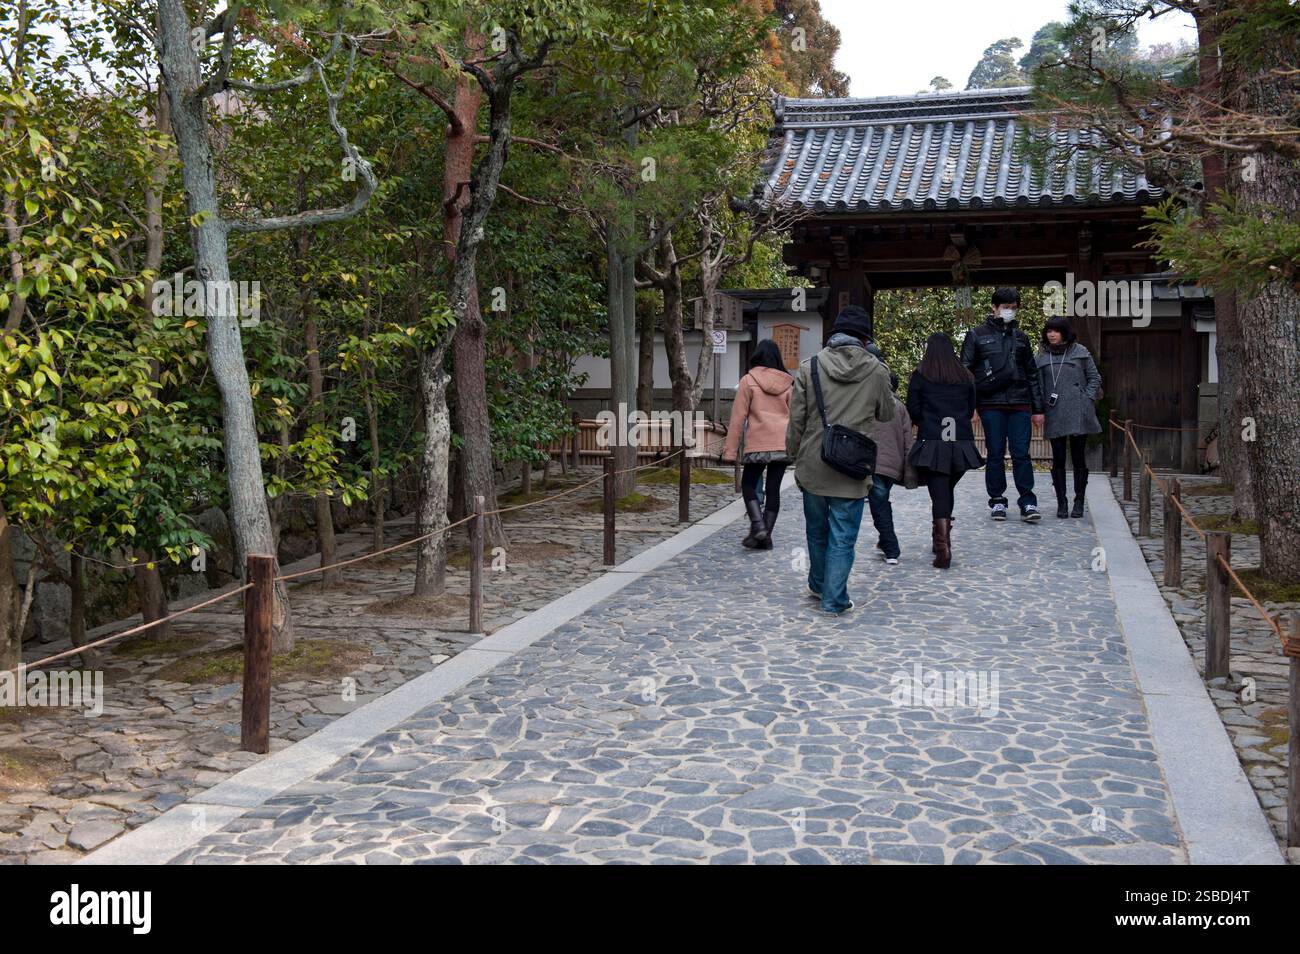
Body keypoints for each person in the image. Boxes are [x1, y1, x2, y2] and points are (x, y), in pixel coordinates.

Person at [785, 305, 895, 615]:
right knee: (843, 535)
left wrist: (793, 453)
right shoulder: (876, 370)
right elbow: (886, 413)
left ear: (834, 335)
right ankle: (834, 599)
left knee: (816, 530)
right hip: (853, 465)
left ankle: (819, 585)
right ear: (865, 339)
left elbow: (797, 418)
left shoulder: (810, 367)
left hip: (814, 460)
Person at [960, 287, 1045, 523]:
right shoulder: (976, 335)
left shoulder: (1022, 338)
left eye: (1013, 308)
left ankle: (1028, 501)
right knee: (995, 454)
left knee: (1022, 454)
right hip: (990, 403)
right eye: (1006, 307)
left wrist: (1038, 409)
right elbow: (964, 372)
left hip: (1020, 402)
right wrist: (970, 406)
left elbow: (1032, 374)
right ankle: (997, 501)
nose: (1009, 311)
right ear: (994, 308)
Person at [907, 333, 984, 569]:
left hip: (933, 441)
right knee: (946, 491)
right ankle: (940, 540)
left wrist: (926, 423)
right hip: (960, 442)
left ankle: (943, 549)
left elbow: (913, 408)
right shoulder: (965, 376)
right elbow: (971, 407)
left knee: (939, 494)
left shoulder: (921, 376)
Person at [723, 339, 793, 549]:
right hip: (782, 444)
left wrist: (730, 451)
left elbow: (737, 419)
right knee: (773, 490)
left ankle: (758, 525)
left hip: (757, 443)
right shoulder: (789, 383)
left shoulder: (748, 380)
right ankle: (765, 536)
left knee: (748, 484)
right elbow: (796, 417)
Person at [1034, 316, 1103, 518]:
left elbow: (1095, 377)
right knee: (1058, 458)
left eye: (1055, 330)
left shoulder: (1080, 352)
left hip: (1078, 411)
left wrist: (1086, 397)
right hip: (1054, 410)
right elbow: (1036, 386)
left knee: (1079, 457)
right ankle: (1061, 502)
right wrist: (1038, 408)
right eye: (1048, 331)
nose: (1051, 334)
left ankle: (1079, 500)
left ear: (1064, 332)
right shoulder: (1040, 357)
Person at [868, 371, 913, 565]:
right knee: (882, 501)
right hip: (894, 464)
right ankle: (884, 540)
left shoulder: (870, 404)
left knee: (879, 504)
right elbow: (908, 440)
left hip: (874, 462)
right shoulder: (901, 407)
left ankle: (892, 548)